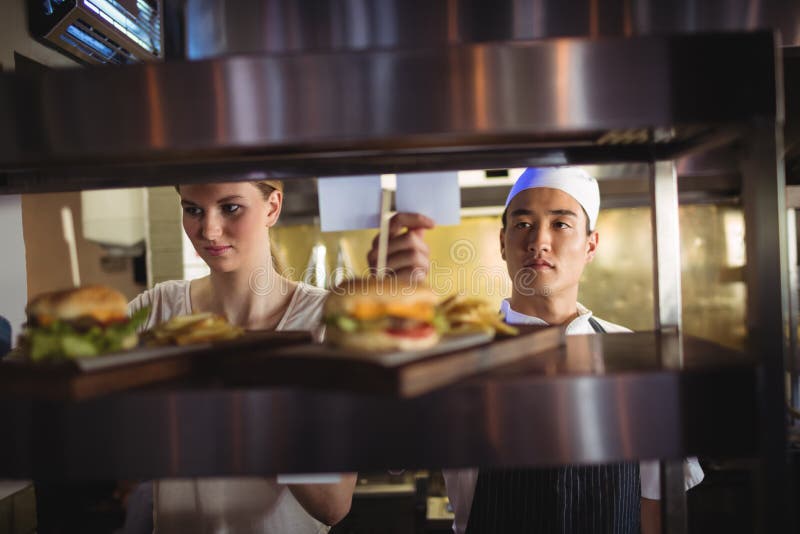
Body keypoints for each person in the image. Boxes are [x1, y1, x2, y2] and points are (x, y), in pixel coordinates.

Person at [125, 179, 434, 533]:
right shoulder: (155, 312)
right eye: (193, 210)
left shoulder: (327, 322)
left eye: (230, 208)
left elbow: (332, 505)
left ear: (272, 207)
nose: (208, 230)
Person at [442, 167, 704, 534]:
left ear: (591, 245)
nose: (538, 241)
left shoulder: (634, 357)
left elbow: (655, 507)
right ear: (502, 242)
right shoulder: (453, 359)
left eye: (560, 224)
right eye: (522, 225)